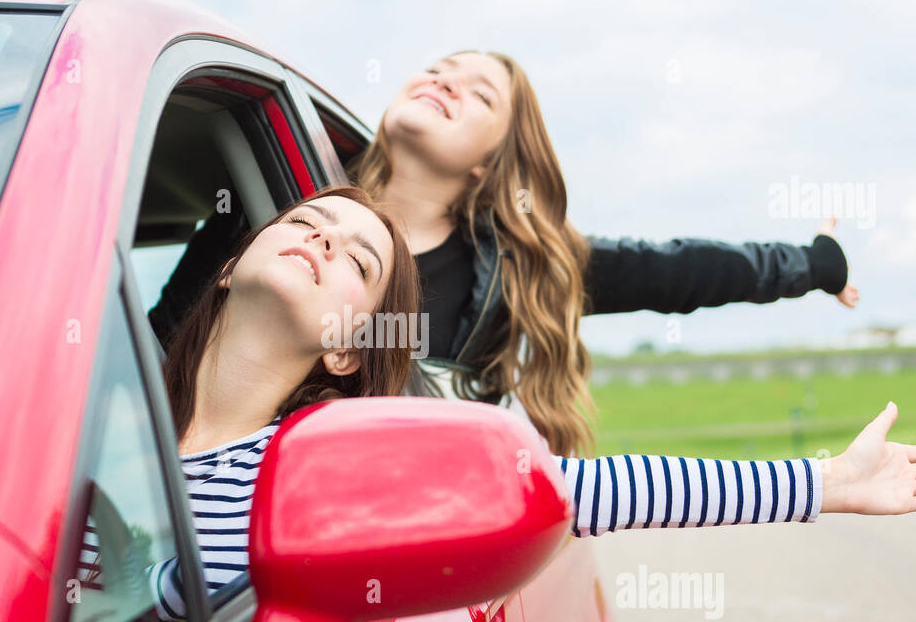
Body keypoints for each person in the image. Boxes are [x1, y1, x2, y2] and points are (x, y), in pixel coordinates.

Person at [142, 185, 916, 622]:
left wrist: (821, 484)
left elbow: (578, 490)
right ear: (224, 267)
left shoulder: (316, 472)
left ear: (347, 348)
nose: (324, 235)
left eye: (358, 263)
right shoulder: (77, 420)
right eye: (308, 219)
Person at [150, 51, 862, 456]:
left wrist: (815, 264)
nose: (443, 80)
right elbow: (160, 345)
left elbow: (681, 270)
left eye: (477, 92)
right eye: (438, 68)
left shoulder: (518, 273)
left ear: (490, 163)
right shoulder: (282, 217)